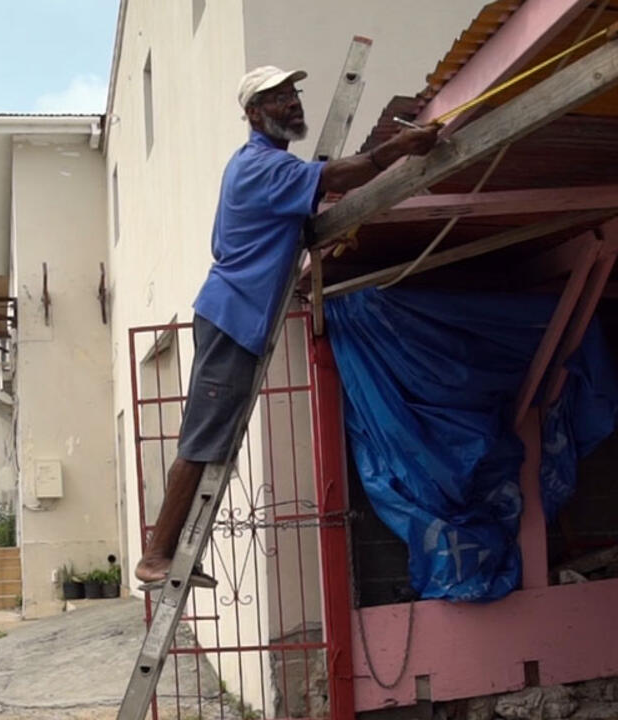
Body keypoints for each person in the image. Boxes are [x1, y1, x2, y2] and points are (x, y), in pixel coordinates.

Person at [134, 66, 441, 586]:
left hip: (237, 315)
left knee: (213, 438)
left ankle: (172, 552)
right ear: (253, 115)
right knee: (203, 439)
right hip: (234, 316)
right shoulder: (260, 166)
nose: (292, 104)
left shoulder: (268, 165)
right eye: (277, 99)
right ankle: (156, 556)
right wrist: (400, 149)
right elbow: (342, 175)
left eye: (294, 94)